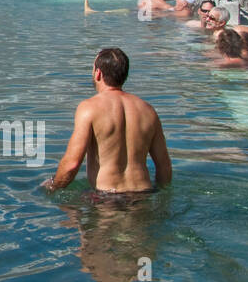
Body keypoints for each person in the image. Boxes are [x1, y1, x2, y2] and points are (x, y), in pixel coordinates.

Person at [43, 48, 172, 194]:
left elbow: (72, 164)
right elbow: (164, 167)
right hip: (144, 195)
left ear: (98, 73)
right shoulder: (148, 110)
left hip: (107, 199)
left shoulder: (89, 108)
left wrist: (53, 186)